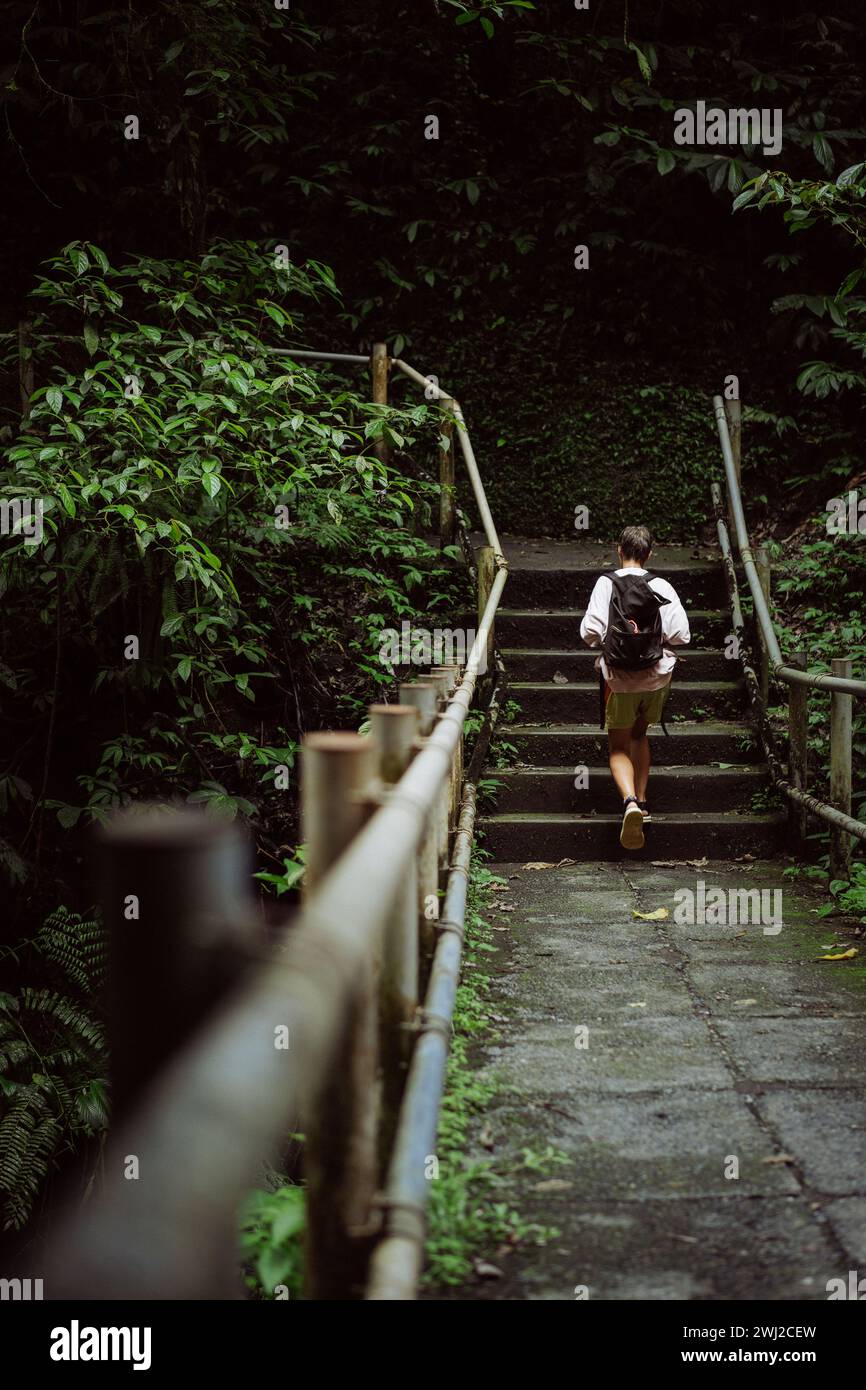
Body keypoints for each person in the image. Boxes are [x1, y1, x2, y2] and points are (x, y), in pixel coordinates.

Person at [580, 526, 690, 850]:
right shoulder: (660, 584)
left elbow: (589, 631)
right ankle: (643, 804)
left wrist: (611, 641)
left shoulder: (606, 583)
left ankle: (628, 801)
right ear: (649, 553)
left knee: (618, 747)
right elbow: (682, 634)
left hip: (618, 680)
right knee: (640, 735)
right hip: (656, 678)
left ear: (619, 550)